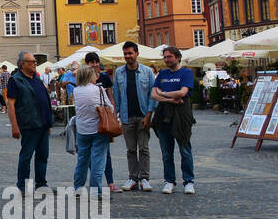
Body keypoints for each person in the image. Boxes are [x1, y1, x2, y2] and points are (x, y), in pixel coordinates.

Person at [6, 50, 53, 195]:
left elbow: (44, 100)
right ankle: (22, 185)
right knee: (26, 156)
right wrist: (14, 126)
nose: (35, 63)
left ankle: (41, 184)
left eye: (35, 62)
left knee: (43, 155)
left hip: (43, 123)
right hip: (29, 124)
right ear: (22, 64)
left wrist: (49, 122)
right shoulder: (16, 80)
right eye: (32, 62)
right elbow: (10, 104)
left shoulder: (36, 79)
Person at [151, 45, 196, 194]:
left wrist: (163, 93)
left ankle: (189, 181)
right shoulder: (162, 74)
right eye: (164, 57)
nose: (166, 59)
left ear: (177, 57)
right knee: (166, 153)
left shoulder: (186, 73)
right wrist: (170, 98)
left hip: (181, 116)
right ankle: (169, 181)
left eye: (169, 56)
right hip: (163, 116)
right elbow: (153, 94)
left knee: (185, 150)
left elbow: (183, 92)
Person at [112, 41, 156, 191]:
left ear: (137, 54)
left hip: (143, 115)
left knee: (143, 148)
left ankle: (144, 178)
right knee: (130, 150)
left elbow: (153, 94)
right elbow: (116, 95)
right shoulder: (119, 72)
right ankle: (133, 178)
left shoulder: (147, 72)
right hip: (126, 116)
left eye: (130, 53)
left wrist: (149, 115)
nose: (127, 56)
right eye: (125, 54)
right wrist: (116, 116)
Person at [72, 64, 114, 192]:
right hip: (98, 129)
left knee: (82, 161)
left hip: (82, 130)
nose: (97, 77)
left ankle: (78, 187)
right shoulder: (99, 90)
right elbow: (109, 107)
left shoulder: (76, 90)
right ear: (90, 76)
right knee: (98, 161)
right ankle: (96, 191)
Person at [83, 52, 118, 191]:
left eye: (96, 62)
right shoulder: (84, 79)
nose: (95, 64)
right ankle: (95, 182)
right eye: (91, 62)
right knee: (91, 154)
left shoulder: (104, 78)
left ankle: (110, 182)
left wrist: (114, 113)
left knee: (106, 153)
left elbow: (110, 96)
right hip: (90, 120)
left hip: (104, 119)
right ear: (87, 64)